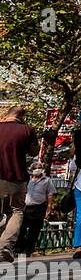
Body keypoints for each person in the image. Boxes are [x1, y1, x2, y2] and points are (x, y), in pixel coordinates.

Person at [0, 107, 41, 263]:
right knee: (16, 211)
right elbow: (34, 152)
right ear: (22, 117)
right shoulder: (27, 130)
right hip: (16, 178)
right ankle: (5, 245)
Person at [18, 163, 55, 255]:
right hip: (26, 207)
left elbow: (50, 194)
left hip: (39, 207)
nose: (37, 169)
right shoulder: (28, 180)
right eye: (35, 168)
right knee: (21, 228)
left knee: (34, 230)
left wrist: (49, 207)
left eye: (39, 167)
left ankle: (29, 249)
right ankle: (20, 247)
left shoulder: (47, 180)